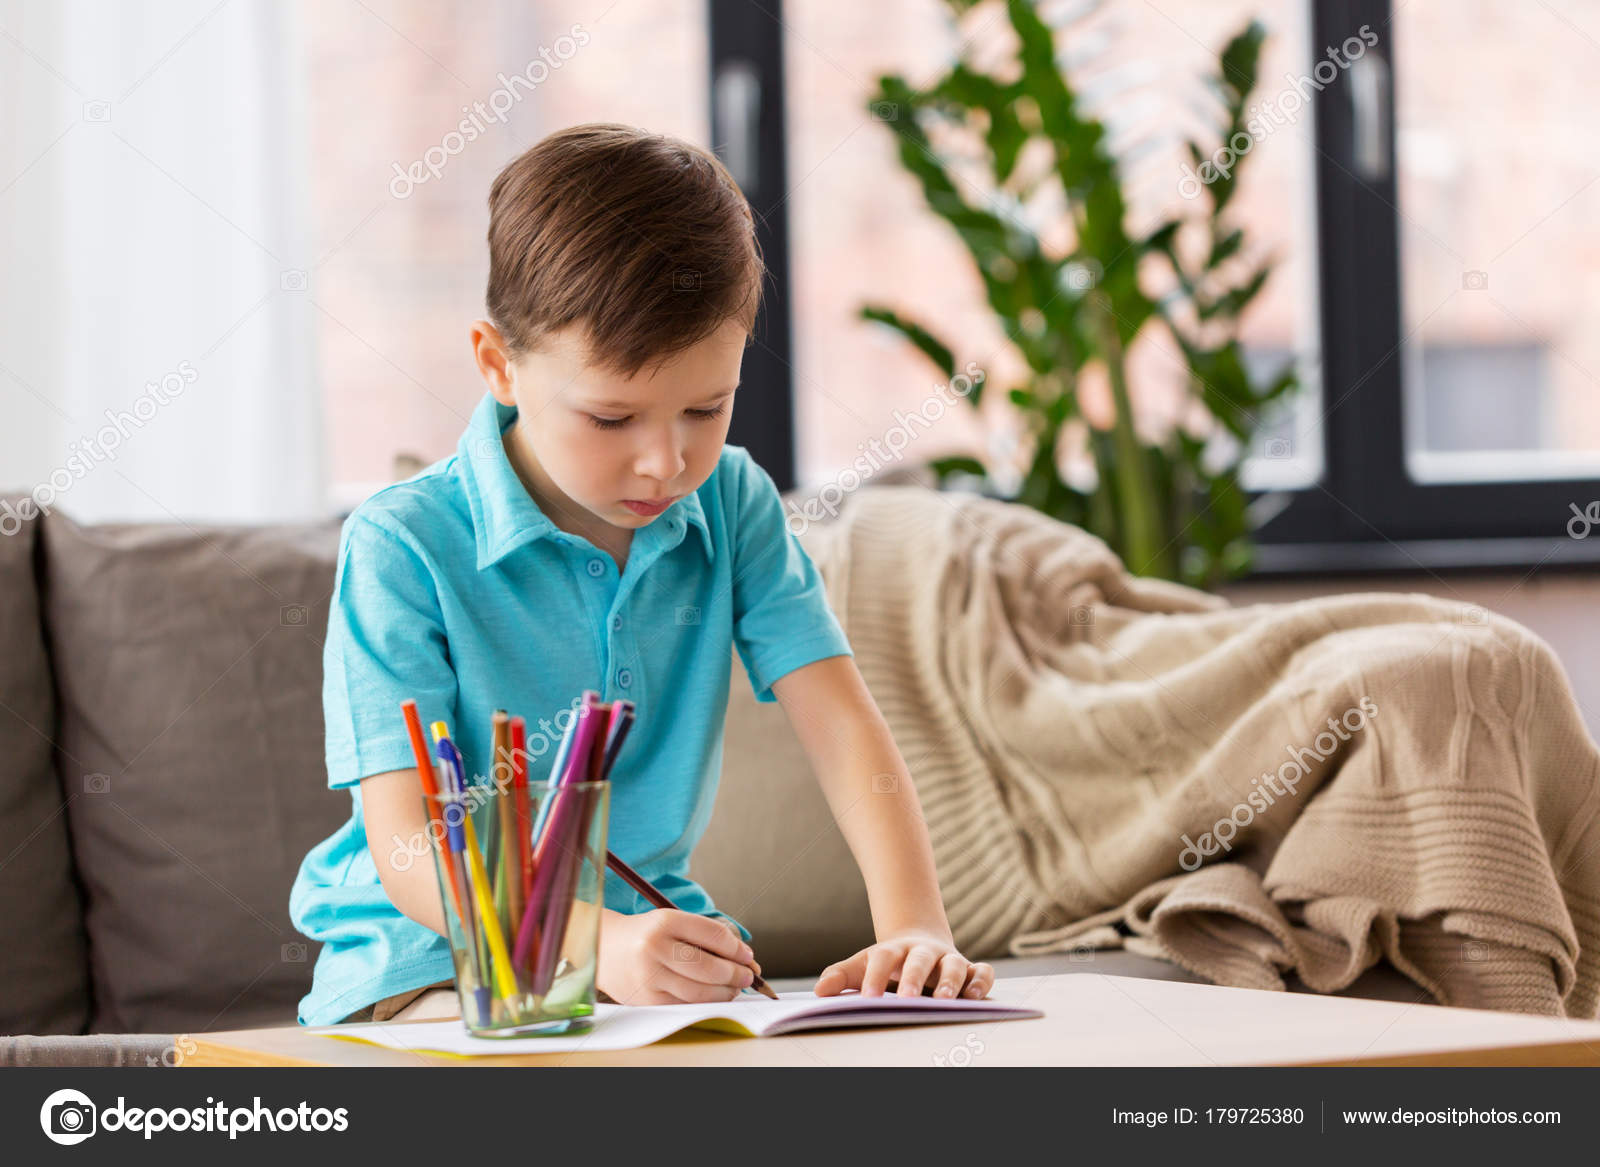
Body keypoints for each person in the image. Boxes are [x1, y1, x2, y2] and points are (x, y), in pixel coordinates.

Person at [288, 123, 994, 1026]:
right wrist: (592, 949)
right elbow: (406, 848)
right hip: (428, 954)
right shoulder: (402, 543)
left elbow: (845, 725)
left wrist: (917, 926)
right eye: (612, 417)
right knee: (550, 1046)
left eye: (708, 406)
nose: (666, 462)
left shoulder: (734, 501)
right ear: (499, 364)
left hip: (644, 941)